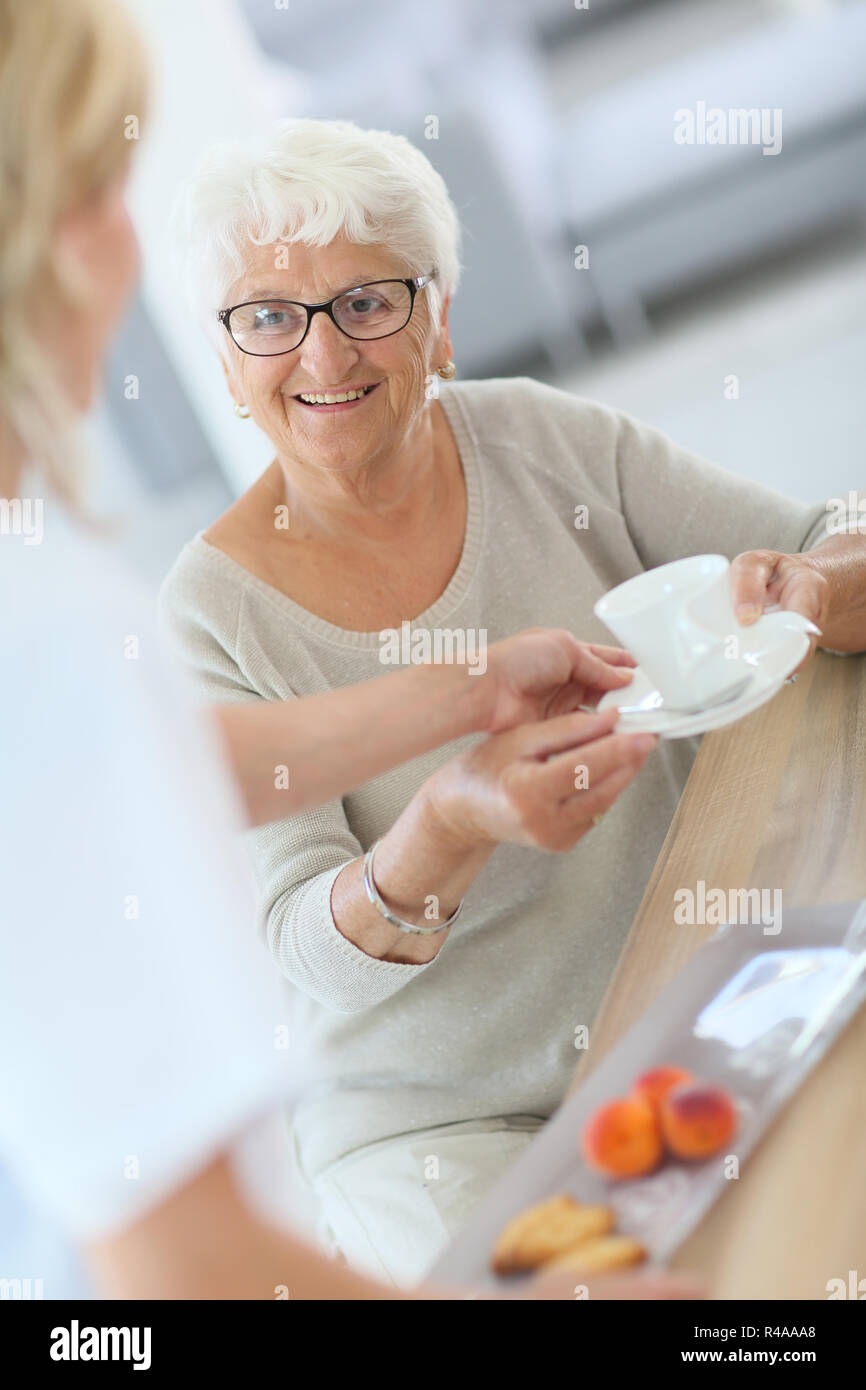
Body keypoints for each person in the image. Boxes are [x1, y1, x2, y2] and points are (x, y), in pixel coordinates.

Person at [0, 0, 693, 1302]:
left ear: (436, 314)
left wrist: (467, 691)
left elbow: (145, 766)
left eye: (365, 301)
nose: (121, 242)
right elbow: (178, 1267)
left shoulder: (49, 627)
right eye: (97, 191)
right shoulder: (58, 623)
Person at [160, 115, 866, 1284]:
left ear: (437, 321)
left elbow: (828, 545)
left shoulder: (545, 439)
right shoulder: (210, 611)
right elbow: (300, 947)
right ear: (230, 361)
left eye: (368, 302)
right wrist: (446, 827)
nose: (324, 358)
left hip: (682, 1001)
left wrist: (802, 588)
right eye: (271, 316)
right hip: (436, 1124)